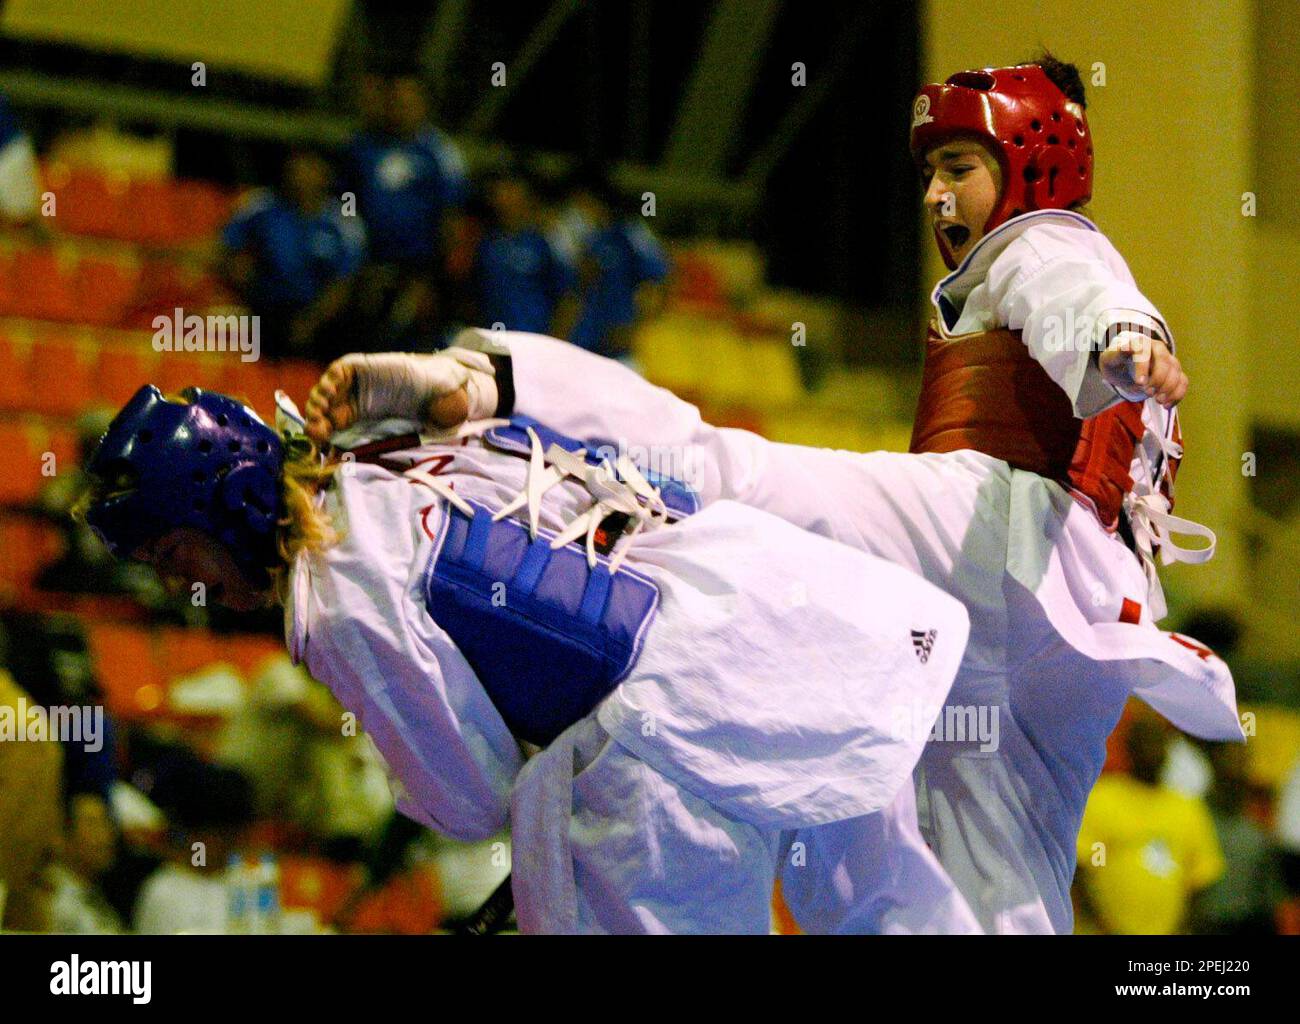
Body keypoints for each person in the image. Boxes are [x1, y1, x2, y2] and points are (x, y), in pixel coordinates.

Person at [302, 56, 1243, 935]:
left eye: (958, 165)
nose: (935, 196)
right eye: (930, 174)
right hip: (1076, 633)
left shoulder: (1042, 246)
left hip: (988, 530)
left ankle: (492, 389)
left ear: (1034, 159)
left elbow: (1076, 291)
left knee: (726, 474)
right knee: (998, 890)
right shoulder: (1015, 274)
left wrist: (1122, 334)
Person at [76, 381, 981, 934]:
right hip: (778, 618)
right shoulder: (385, 451)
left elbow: (467, 797)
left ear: (227, 503)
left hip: (659, 752)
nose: (176, 584)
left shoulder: (337, 599)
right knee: (896, 907)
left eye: (172, 555)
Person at [342, 69, 469, 348]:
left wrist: (434, 280)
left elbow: (452, 220)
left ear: (424, 106)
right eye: (395, 101)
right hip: (368, 269)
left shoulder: (441, 153)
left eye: (409, 102)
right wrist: (356, 266)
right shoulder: (362, 147)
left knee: (409, 350)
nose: (400, 109)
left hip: (418, 272)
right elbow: (345, 209)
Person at [1074, 714, 1224, 934]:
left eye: (1158, 743)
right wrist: (1100, 924)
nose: (1153, 750)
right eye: (1145, 743)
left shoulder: (1188, 808)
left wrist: (1183, 929)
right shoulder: (1100, 798)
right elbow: (1078, 871)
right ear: (1130, 749)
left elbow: (1202, 880)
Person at [219, 148, 366, 361]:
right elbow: (224, 249)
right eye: (296, 166)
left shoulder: (344, 223)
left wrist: (310, 322)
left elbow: (344, 284)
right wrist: (239, 273)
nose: (299, 175)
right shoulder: (261, 206)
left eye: (309, 167)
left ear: (326, 174)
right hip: (264, 310)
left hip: (321, 320)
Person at [472, 166, 576, 336]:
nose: (503, 197)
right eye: (499, 190)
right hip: (496, 339)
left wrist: (554, 341)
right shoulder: (488, 242)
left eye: (510, 190)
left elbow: (568, 299)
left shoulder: (546, 240)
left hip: (533, 341)